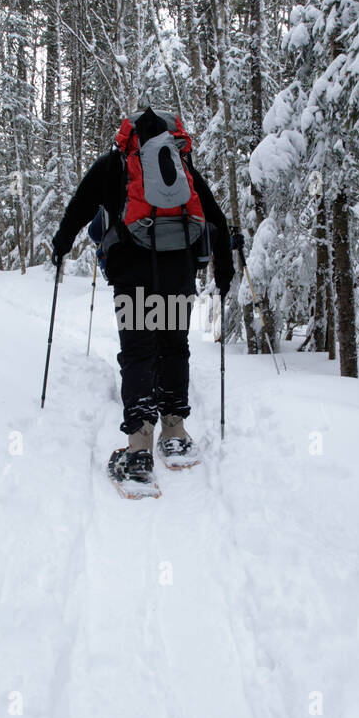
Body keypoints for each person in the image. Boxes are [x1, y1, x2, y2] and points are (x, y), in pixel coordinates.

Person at [51, 105, 235, 489]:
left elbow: (80, 206)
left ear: (128, 134)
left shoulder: (116, 164)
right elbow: (215, 217)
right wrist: (225, 266)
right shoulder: (179, 166)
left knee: (138, 352)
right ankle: (176, 435)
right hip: (179, 271)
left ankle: (138, 452)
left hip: (133, 274)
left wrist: (61, 245)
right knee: (173, 346)